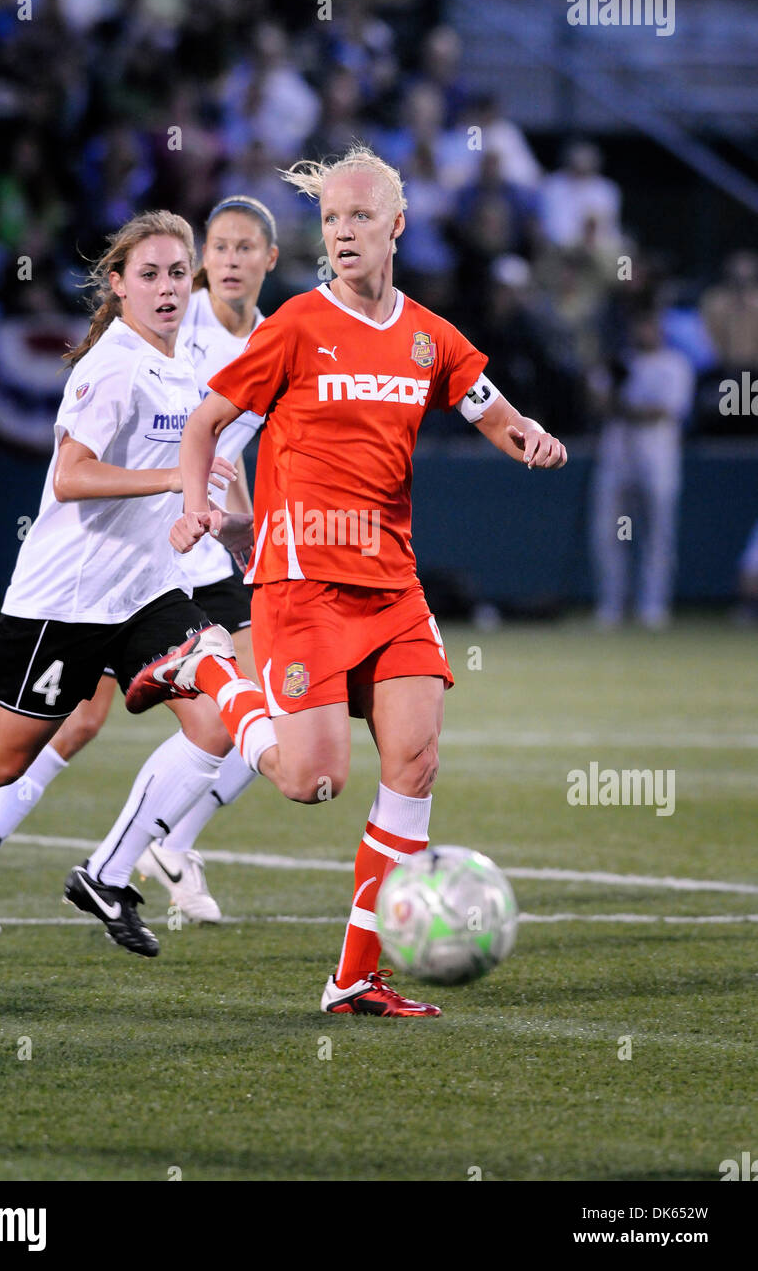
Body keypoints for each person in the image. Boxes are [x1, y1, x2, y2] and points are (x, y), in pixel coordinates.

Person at [124, 146, 567, 1018]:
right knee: (309, 780)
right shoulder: (293, 325)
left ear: (395, 225)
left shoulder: (427, 336)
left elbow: (492, 410)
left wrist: (532, 440)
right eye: (330, 221)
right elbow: (209, 420)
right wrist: (193, 504)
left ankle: (356, 977)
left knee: (414, 758)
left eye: (359, 217)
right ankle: (207, 666)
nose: (343, 233)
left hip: (392, 587)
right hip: (301, 584)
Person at [0, 197, 279, 937]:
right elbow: (74, 475)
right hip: (76, 590)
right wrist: (176, 483)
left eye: (181, 271)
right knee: (16, 751)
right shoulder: (128, 356)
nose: (172, 284)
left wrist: (236, 526)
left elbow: (214, 455)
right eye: (152, 273)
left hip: (161, 580)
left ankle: (123, 868)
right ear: (121, 282)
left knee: (221, 719)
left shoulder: (217, 358)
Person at [590, 307, 694, 628]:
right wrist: (610, 386)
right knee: (608, 534)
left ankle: (653, 608)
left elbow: (663, 411)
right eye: (639, 325)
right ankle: (611, 606)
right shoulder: (620, 360)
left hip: (657, 459)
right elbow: (594, 402)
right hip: (616, 457)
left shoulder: (675, 365)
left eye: (650, 325)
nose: (644, 331)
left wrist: (621, 403)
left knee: (657, 535)